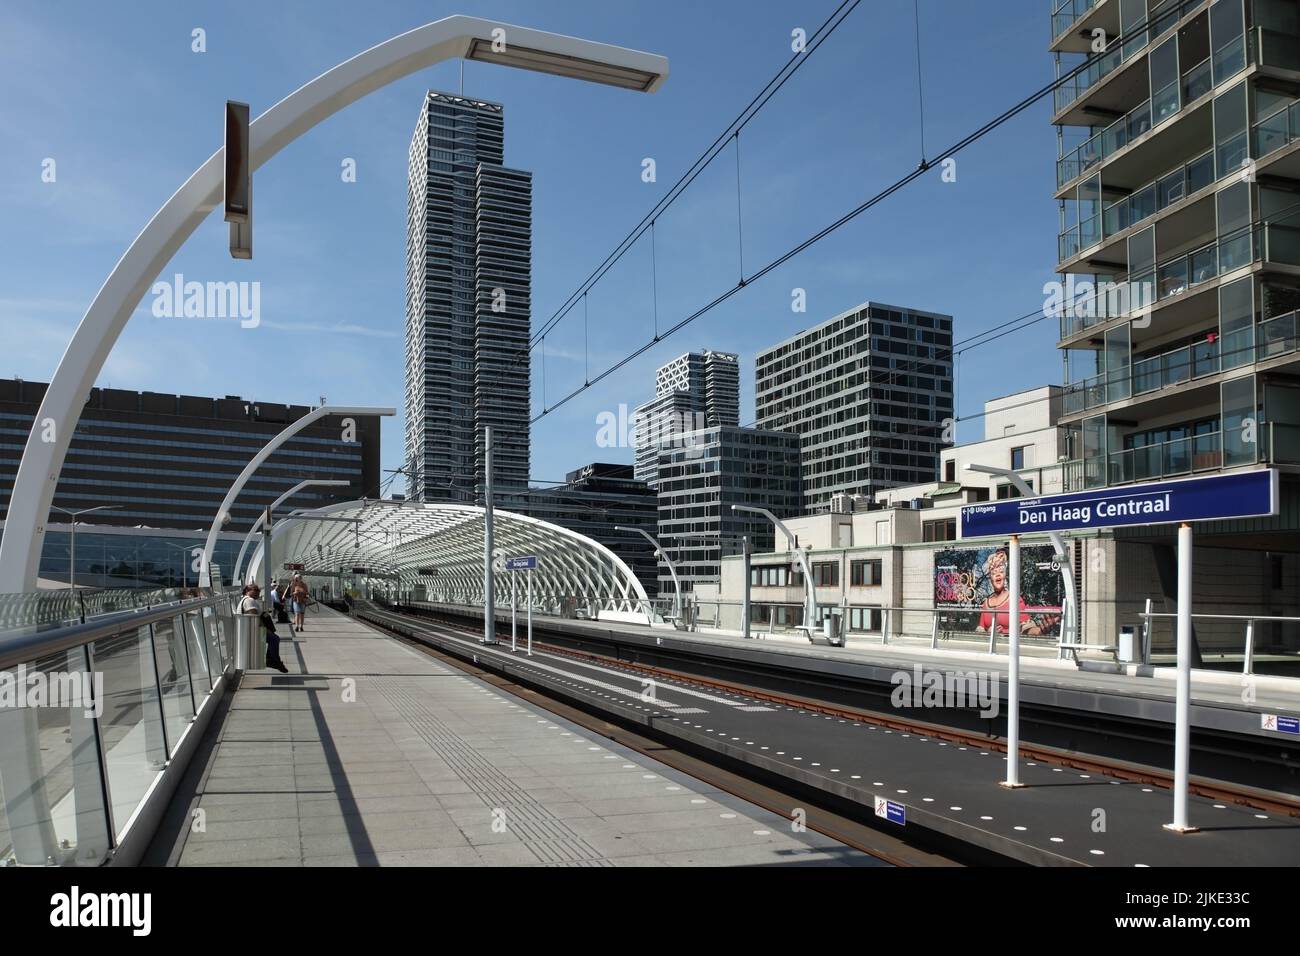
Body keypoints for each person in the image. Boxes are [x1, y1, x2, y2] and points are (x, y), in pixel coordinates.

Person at [975, 549, 1059, 636]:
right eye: (994, 573)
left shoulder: (1014, 599)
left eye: (1001, 571)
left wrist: (1041, 630)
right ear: (990, 577)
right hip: (990, 645)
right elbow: (980, 630)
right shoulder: (986, 603)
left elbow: (1026, 628)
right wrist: (988, 633)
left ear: (1005, 575)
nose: (998, 574)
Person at [240, 584, 288, 673]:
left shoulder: (246, 600)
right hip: (253, 630)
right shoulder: (249, 601)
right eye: (255, 590)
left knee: (274, 638)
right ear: (247, 591)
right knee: (274, 639)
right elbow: (254, 617)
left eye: (258, 590)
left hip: (249, 629)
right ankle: (274, 661)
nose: (258, 592)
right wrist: (264, 629)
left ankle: (272, 660)